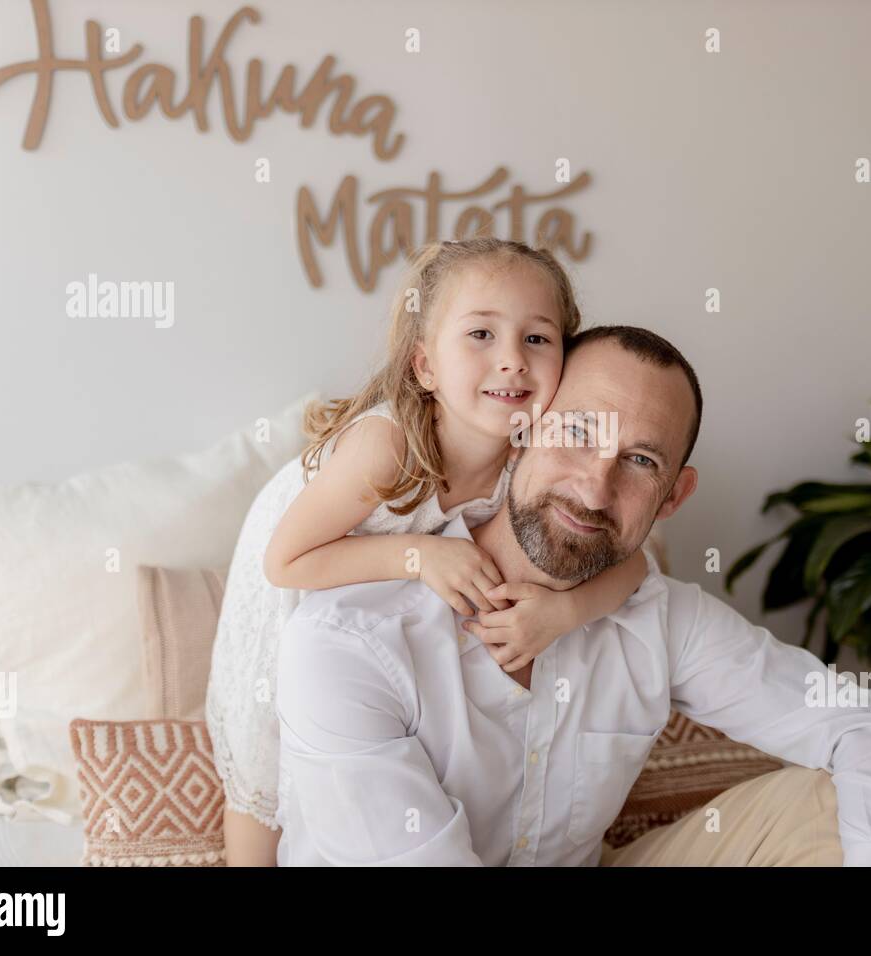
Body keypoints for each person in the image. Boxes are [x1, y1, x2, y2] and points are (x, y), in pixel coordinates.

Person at [275, 325, 871, 866]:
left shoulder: (659, 618)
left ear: (672, 496)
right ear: (522, 435)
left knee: (832, 809)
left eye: (640, 461)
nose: (596, 490)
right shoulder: (349, 642)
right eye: (578, 433)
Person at [205, 240, 650, 866]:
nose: (512, 362)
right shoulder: (389, 447)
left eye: (537, 339)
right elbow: (286, 563)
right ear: (425, 368)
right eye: (480, 335)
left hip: (394, 601)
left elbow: (633, 562)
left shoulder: (532, 455)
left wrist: (563, 613)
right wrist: (418, 556)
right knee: (268, 749)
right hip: (312, 549)